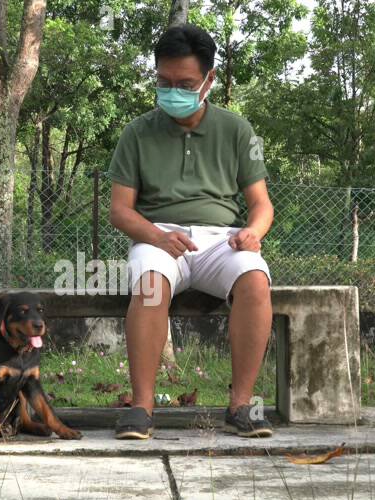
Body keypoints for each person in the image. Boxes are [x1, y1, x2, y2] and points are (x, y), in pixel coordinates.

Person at [107, 23, 276, 440]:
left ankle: (241, 406)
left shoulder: (236, 130)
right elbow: (119, 211)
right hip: (158, 237)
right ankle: (142, 408)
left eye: (184, 83)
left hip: (223, 239)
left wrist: (253, 233)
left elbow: (261, 204)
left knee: (255, 279)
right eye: (163, 82)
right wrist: (157, 237)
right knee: (149, 283)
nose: (172, 91)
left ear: (209, 81)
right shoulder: (137, 134)